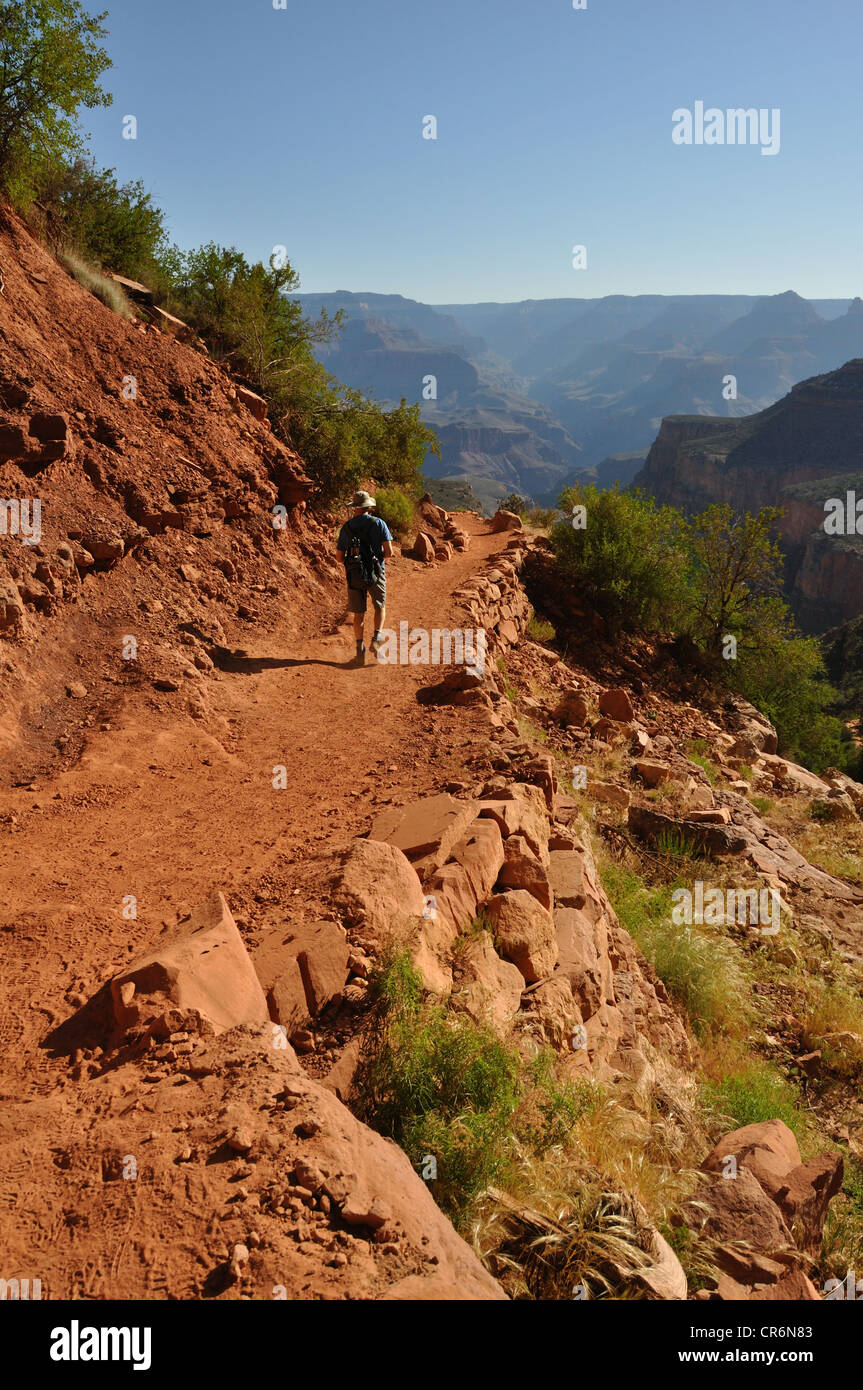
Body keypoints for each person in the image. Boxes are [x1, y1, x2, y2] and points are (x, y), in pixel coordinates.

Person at [336, 490, 394, 665]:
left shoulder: (346, 528)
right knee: (380, 606)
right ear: (369, 506)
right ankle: (376, 638)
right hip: (377, 573)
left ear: (355, 507)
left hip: (355, 575)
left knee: (358, 615)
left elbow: (339, 557)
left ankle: (359, 650)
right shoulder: (379, 524)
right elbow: (389, 553)